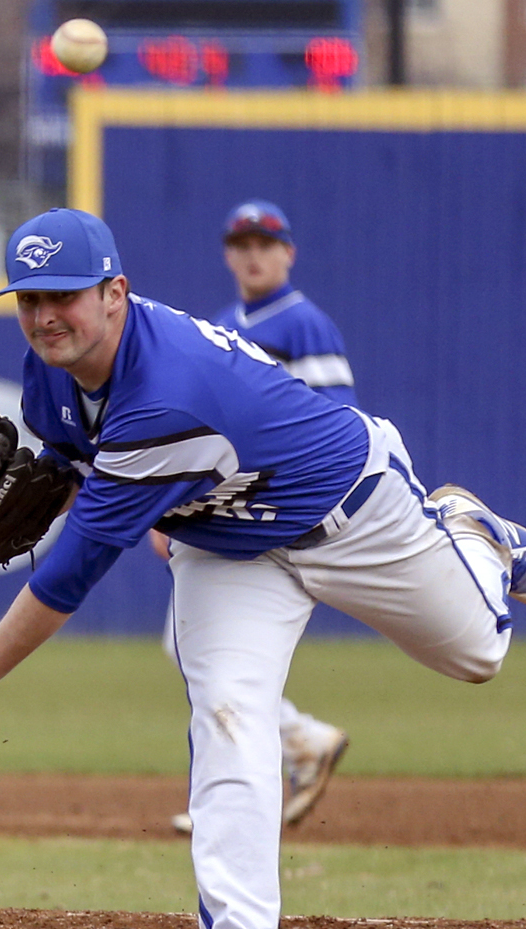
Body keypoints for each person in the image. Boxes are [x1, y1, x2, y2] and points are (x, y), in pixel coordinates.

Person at [0, 207, 526, 929]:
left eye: (66, 295)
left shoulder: (168, 396)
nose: (45, 316)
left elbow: (75, 570)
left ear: (115, 292)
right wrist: (35, 484)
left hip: (351, 510)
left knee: (478, 654)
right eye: (29, 297)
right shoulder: (48, 368)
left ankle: (473, 532)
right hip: (227, 550)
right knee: (230, 723)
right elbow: (65, 457)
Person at [171, 199, 353, 835]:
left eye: (265, 242)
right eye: (241, 242)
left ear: (288, 253)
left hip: (280, 510)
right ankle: (284, 754)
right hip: (230, 509)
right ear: (227, 253)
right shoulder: (219, 324)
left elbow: (335, 423)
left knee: (206, 647)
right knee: (192, 644)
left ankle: (267, 767)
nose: (253, 253)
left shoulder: (305, 325)